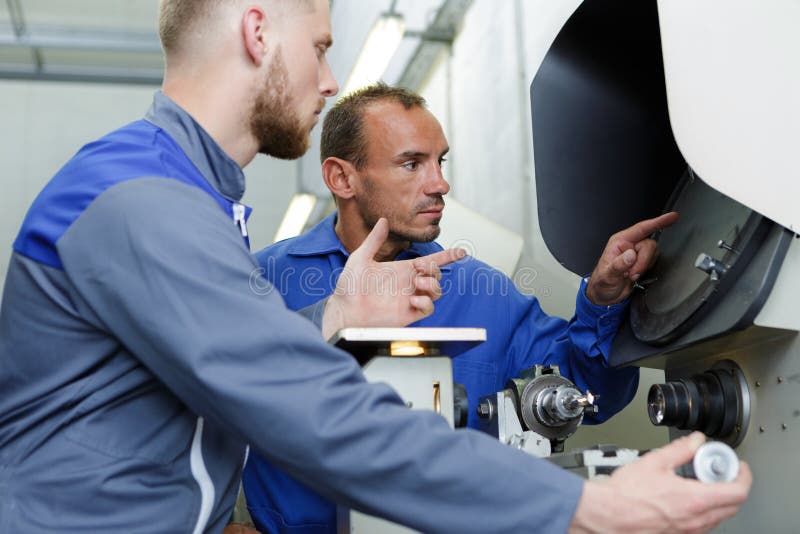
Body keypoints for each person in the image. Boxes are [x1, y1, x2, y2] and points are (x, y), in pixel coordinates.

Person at [0, 1, 750, 533]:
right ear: (258, 31)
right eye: (322, 46)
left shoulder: (188, 198)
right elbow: (315, 412)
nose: (330, 80)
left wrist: (332, 316)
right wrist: (587, 508)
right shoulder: (148, 203)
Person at [240, 82, 681, 532]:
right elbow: (189, 406)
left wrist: (601, 302)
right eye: (412, 164)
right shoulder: (262, 282)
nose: (440, 184)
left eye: (440, 161)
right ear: (342, 178)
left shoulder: (481, 292)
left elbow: (588, 395)